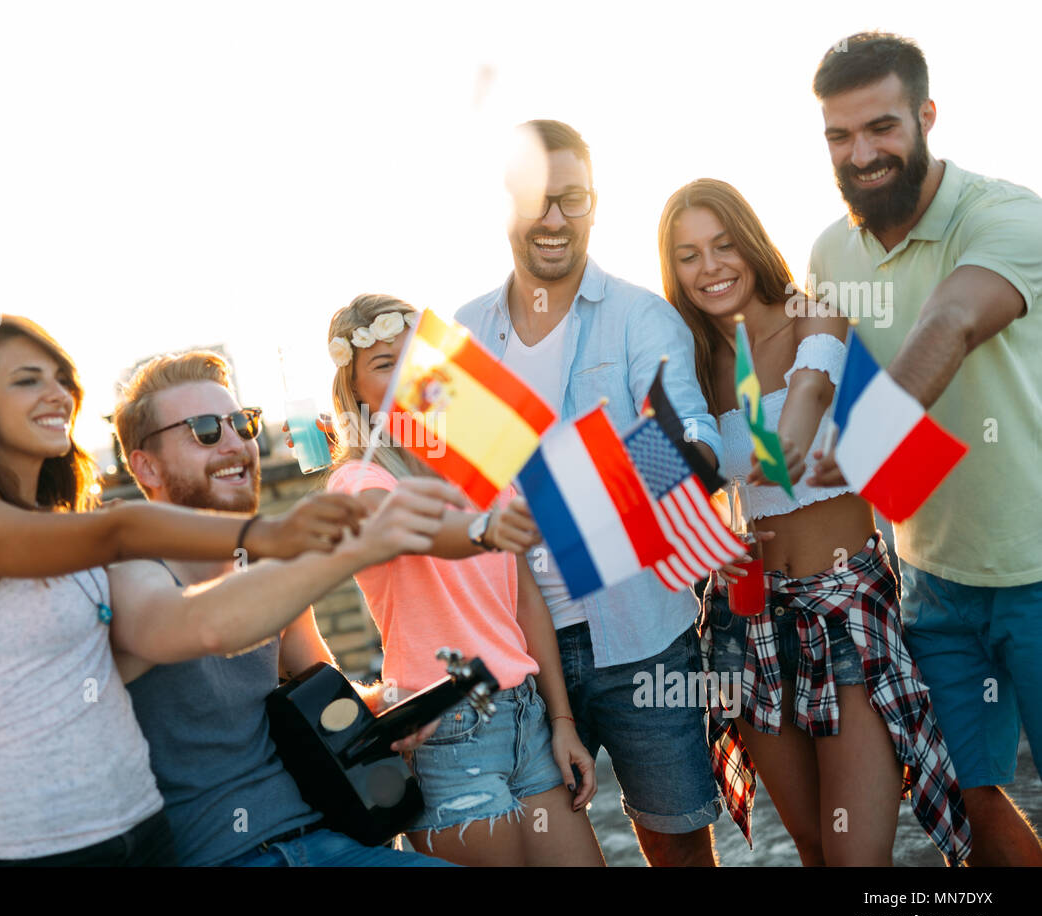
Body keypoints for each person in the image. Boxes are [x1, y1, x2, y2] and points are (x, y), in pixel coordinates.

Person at [0, 315, 368, 866]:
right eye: (28, 379)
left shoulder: (61, 523)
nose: (57, 393)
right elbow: (122, 533)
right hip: (40, 846)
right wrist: (275, 534)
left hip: (142, 825)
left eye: (62, 379)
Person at [659, 178, 970, 865]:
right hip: (749, 620)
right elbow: (673, 492)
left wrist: (792, 436)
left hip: (846, 609)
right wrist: (718, 543)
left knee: (855, 855)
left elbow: (814, 382)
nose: (710, 267)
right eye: (688, 255)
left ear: (751, 241)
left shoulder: (813, 312)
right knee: (809, 845)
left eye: (723, 245)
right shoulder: (691, 365)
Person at [456, 120, 723, 866]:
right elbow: (448, 486)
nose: (551, 219)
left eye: (569, 200)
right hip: (515, 649)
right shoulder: (464, 337)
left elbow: (692, 445)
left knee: (679, 852)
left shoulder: (640, 316)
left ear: (594, 204)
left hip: (641, 637)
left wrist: (572, 501)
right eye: (536, 200)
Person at [805, 32, 1042, 866]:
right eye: (840, 135)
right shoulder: (832, 250)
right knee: (966, 797)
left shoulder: (1007, 215)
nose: (861, 153)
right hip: (935, 586)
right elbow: (817, 365)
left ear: (925, 115)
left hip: (1037, 571)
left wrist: (868, 441)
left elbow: (952, 321)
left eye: (882, 127)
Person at [106, 348, 464, 867]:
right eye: (205, 430)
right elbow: (205, 624)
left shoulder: (264, 571)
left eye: (241, 423)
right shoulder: (128, 576)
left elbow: (322, 687)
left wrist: (385, 702)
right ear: (145, 464)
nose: (235, 443)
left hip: (327, 839)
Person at [322, 294, 605, 866]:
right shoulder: (359, 479)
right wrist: (486, 524)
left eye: (413, 356)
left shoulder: (482, 472)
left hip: (524, 712)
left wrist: (562, 722)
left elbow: (526, 606)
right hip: (445, 727)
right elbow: (408, 528)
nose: (404, 373)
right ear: (355, 391)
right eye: (383, 364)